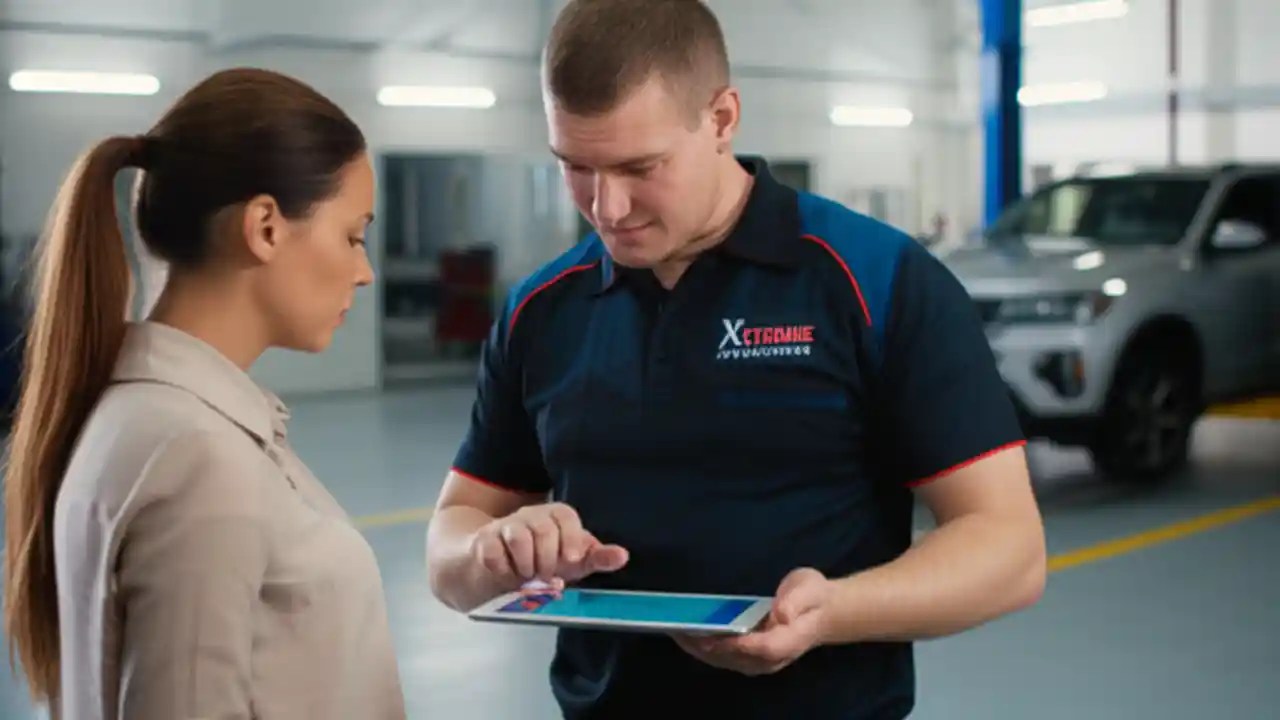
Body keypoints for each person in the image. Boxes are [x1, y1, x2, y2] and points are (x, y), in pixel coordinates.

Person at [426, 0, 1047, 717]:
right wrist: (490, 553)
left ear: (721, 119)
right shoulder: (542, 311)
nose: (608, 207)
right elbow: (452, 540)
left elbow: (1008, 549)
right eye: (577, 167)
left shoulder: (875, 281)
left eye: (640, 166)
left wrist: (833, 612)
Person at [2, 67, 405, 720]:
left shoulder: (148, 420)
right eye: (353, 236)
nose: (364, 272)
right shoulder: (195, 455)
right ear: (265, 227)